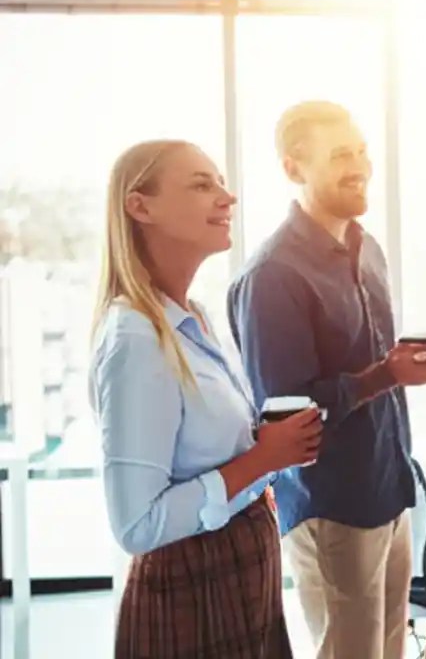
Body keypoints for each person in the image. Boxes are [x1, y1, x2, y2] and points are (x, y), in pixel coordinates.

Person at [227, 101, 426, 659]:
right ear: (293, 169)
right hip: (332, 506)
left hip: (389, 491)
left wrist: (407, 367)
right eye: (340, 156)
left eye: (361, 151)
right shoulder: (272, 276)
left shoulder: (366, 247)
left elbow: (372, 367)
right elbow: (285, 414)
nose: (360, 166)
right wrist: (385, 374)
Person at [91, 139, 323, 658]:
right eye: (202, 184)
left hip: (242, 567)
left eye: (219, 182)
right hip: (192, 588)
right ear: (139, 206)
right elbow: (137, 525)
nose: (227, 197)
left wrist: (268, 447)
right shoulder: (137, 339)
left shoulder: (193, 315)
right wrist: (265, 457)